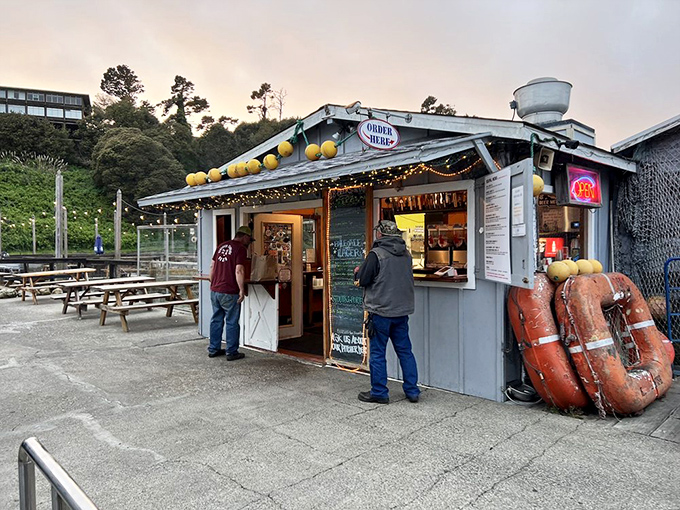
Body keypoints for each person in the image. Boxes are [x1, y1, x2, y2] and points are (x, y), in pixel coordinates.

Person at [354, 220, 420, 404]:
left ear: (380, 234)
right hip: (401, 312)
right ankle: (412, 391)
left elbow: (364, 279)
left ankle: (379, 392)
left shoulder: (376, 254)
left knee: (377, 353)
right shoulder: (406, 254)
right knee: (405, 351)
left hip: (381, 311)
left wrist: (358, 272)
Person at [208, 226, 253, 360]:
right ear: (244, 236)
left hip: (215, 290)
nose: (249, 243)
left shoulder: (221, 246)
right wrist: (241, 289)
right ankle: (232, 351)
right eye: (249, 240)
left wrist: (213, 283)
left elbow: (212, 266)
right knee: (232, 321)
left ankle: (213, 349)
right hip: (229, 290)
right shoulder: (240, 249)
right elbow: (239, 270)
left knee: (216, 319)